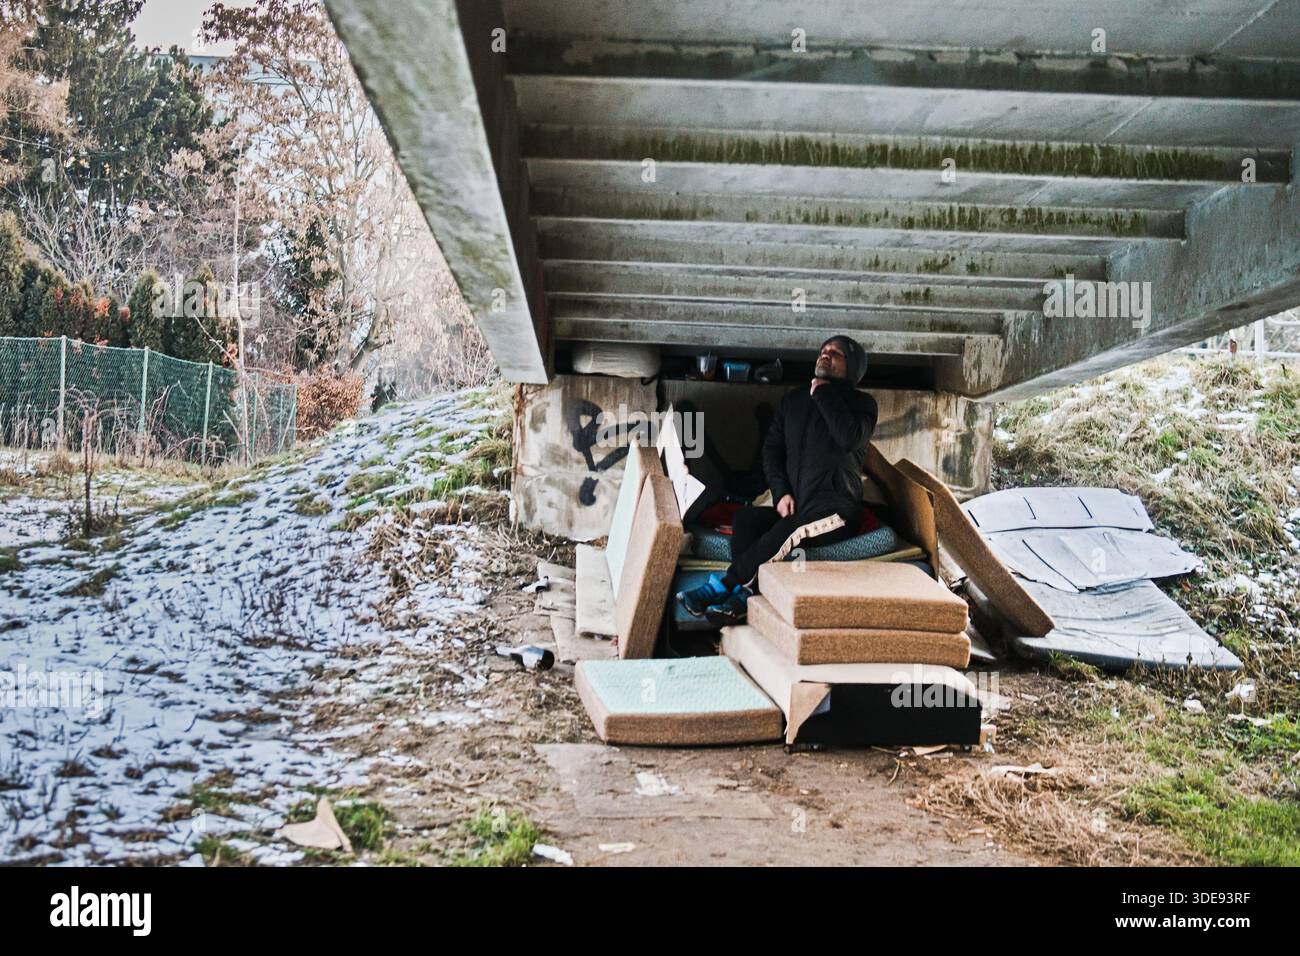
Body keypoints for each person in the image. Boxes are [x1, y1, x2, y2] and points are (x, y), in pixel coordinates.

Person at [677, 335, 878, 624]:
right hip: (798, 508)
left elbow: (848, 437)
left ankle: (721, 586)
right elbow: (772, 450)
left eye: (836, 353)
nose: (826, 354)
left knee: (790, 529)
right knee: (746, 519)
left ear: (854, 366)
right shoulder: (795, 400)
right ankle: (748, 597)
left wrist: (823, 393)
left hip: (835, 512)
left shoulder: (863, 404)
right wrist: (782, 492)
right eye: (823, 350)